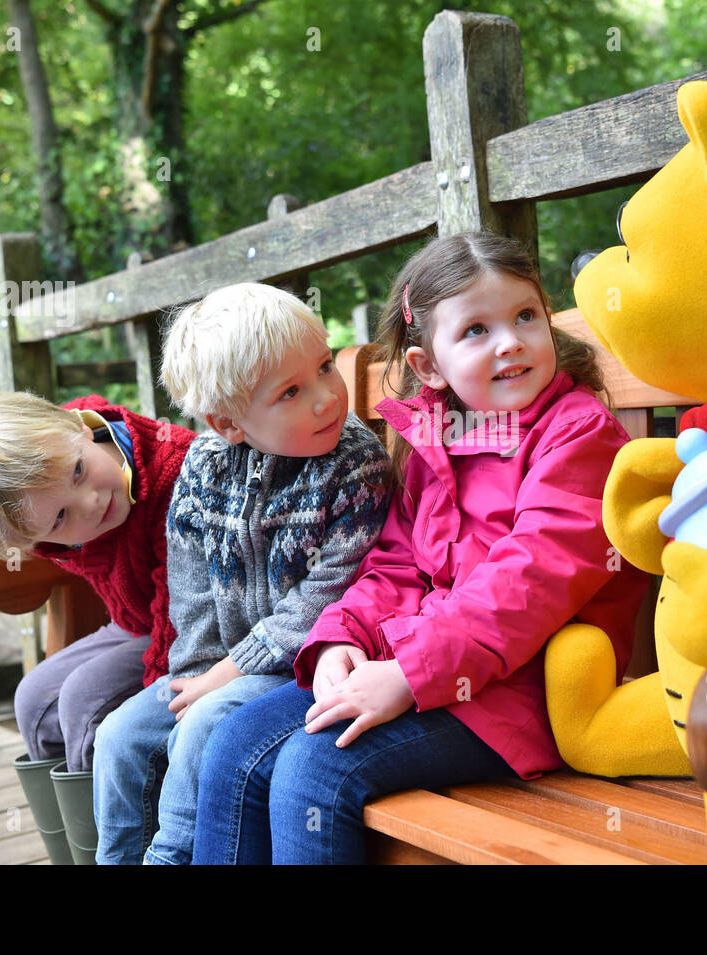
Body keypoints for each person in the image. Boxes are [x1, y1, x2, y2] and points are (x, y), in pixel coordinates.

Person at [190, 232, 651, 864]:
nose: (510, 341)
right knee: (235, 740)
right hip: (431, 670)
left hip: (528, 695)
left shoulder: (577, 437)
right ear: (428, 366)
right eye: (476, 330)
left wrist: (409, 674)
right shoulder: (439, 437)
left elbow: (526, 586)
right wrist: (341, 639)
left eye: (525, 317)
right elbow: (395, 563)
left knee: (315, 772)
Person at [91, 282, 392, 864]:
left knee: (205, 725)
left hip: (303, 669)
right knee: (120, 736)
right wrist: (196, 677)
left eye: (327, 366)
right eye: (291, 392)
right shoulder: (205, 466)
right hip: (218, 669)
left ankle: (171, 855)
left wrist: (222, 680)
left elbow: (326, 600)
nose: (328, 398)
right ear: (228, 423)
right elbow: (193, 596)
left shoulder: (356, 466)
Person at [0, 388, 195, 863]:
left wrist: (153, 709)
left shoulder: (174, 475)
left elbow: (181, 621)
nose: (90, 502)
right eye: (60, 518)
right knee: (33, 699)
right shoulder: (46, 472)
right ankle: (73, 853)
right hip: (136, 622)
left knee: (85, 700)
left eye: (78, 471)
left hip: (190, 628)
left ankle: (125, 845)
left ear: (79, 427)